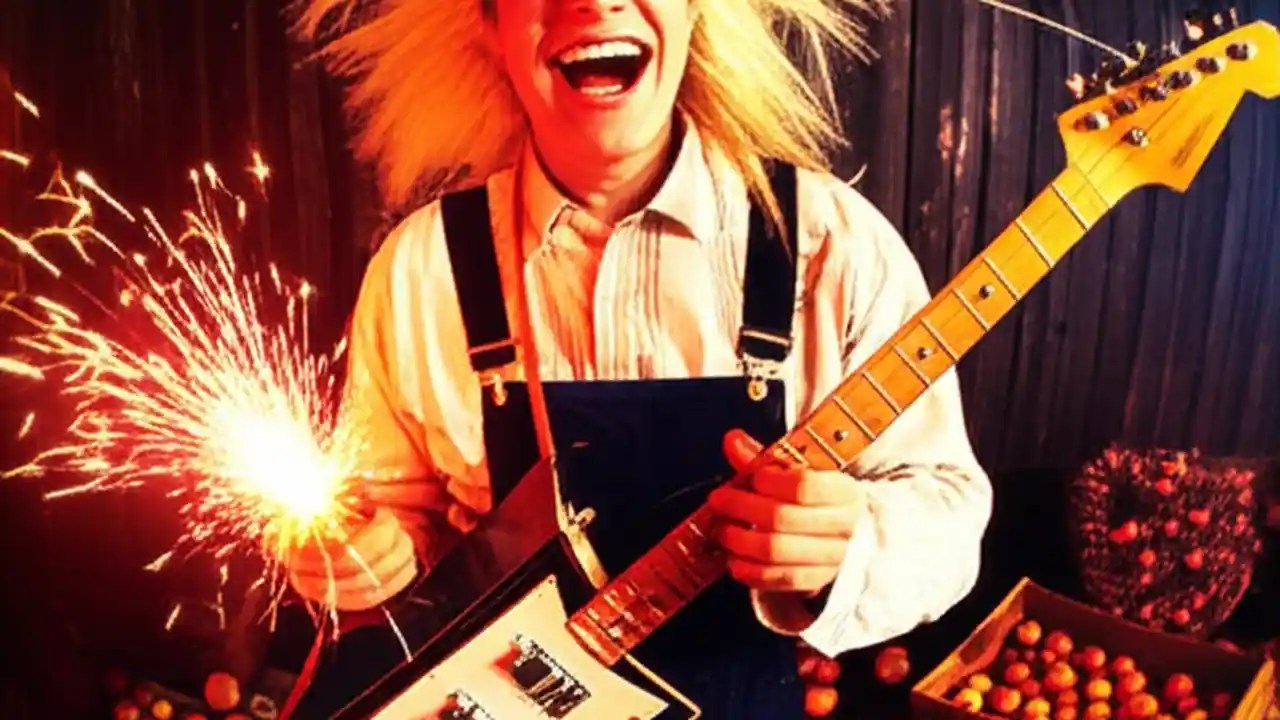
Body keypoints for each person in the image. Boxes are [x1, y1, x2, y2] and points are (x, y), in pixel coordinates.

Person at [283, 0, 993, 716]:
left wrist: (853, 544)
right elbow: (388, 517)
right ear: (491, 27)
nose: (593, 1)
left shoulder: (832, 244)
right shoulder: (420, 269)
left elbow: (949, 519)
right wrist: (358, 558)